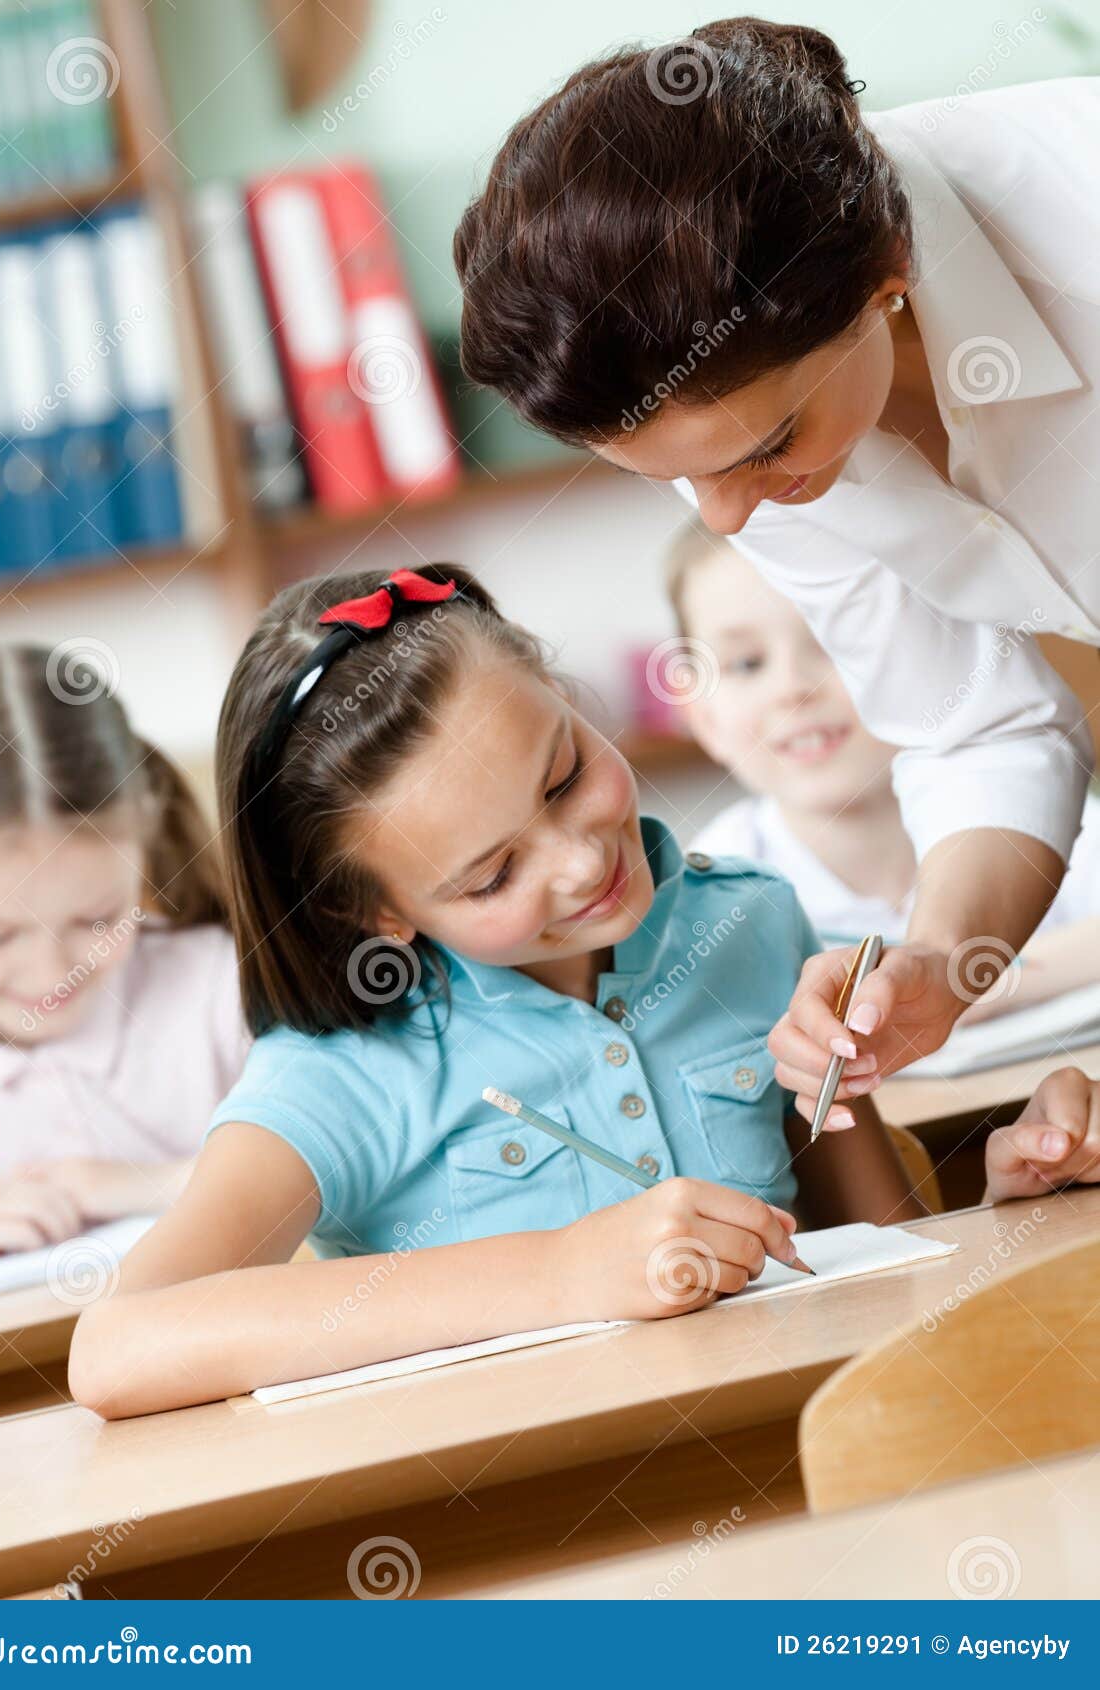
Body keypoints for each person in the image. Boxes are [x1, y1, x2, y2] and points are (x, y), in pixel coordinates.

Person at [67, 568, 1100, 1419]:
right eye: (489, 876)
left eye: (563, 775)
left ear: (561, 693)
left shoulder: (748, 927)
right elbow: (117, 1347)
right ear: (371, 915)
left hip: (815, 1475)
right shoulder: (350, 1067)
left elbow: (890, 1273)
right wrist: (560, 1274)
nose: (575, 862)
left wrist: (1013, 1209)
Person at [452, 17, 1100, 1122]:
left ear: (885, 278)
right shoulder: (719, 395)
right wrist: (935, 964)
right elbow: (977, 723)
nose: (726, 513)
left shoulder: (1074, 214)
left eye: (761, 450)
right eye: (676, 479)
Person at [667, 520, 1100, 1021]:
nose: (792, 689)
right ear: (701, 716)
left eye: (832, 644)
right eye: (746, 664)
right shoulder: (713, 888)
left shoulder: (1044, 821)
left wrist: (954, 986)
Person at [0, 644, 248, 1262]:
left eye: (97, 919)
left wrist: (132, 1186)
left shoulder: (222, 992)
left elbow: (346, 1152)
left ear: (144, 849)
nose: (48, 973)